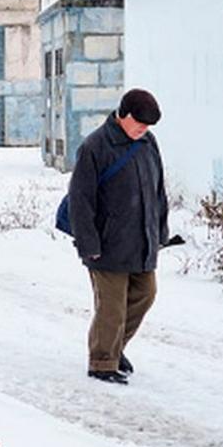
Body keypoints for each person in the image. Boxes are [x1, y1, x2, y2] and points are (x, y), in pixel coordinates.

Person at [67, 89, 169, 385]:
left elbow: (158, 191)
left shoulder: (148, 143)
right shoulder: (95, 146)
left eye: (148, 126)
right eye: (140, 123)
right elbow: (80, 200)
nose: (143, 129)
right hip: (106, 243)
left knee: (145, 294)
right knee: (111, 307)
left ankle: (114, 348)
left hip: (141, 240)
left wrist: (160, 231)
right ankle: (102, 362)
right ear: (123, 115)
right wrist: (88, 243)